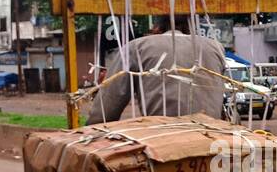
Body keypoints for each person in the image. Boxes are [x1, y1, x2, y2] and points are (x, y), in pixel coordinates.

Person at [86, 15, 227, 124]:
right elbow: (222, 100)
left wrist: (92, 131)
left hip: (161, 137)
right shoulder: (215, 48)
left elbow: (108, 106)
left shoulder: (137, 47)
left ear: (157, 27)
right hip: (211, 133)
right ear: (189, 27)